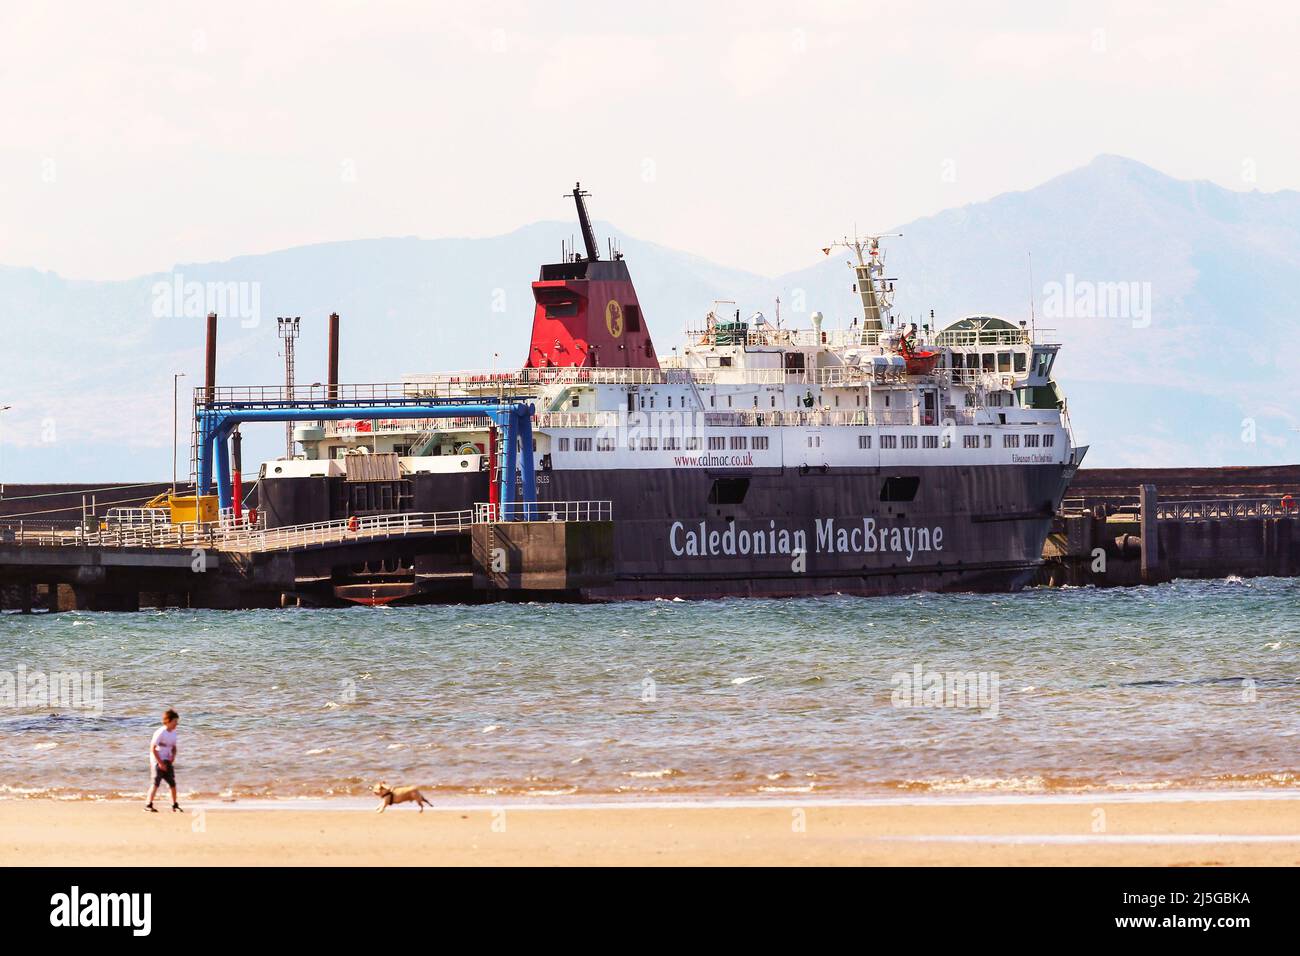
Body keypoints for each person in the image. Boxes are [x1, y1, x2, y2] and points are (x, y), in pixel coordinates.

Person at [144, 708, 182, 813]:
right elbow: (152, 749)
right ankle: (148, 805)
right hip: (157, 760)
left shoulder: (174, 733)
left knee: (172, 783)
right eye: (175, 721)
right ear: (168, 721)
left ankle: (175, 805)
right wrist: (160, 763)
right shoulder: (160, 732)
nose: (176, 724)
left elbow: (174, 747)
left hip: (167, 760)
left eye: (177, 721)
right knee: (155, 783)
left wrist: (173, 756)